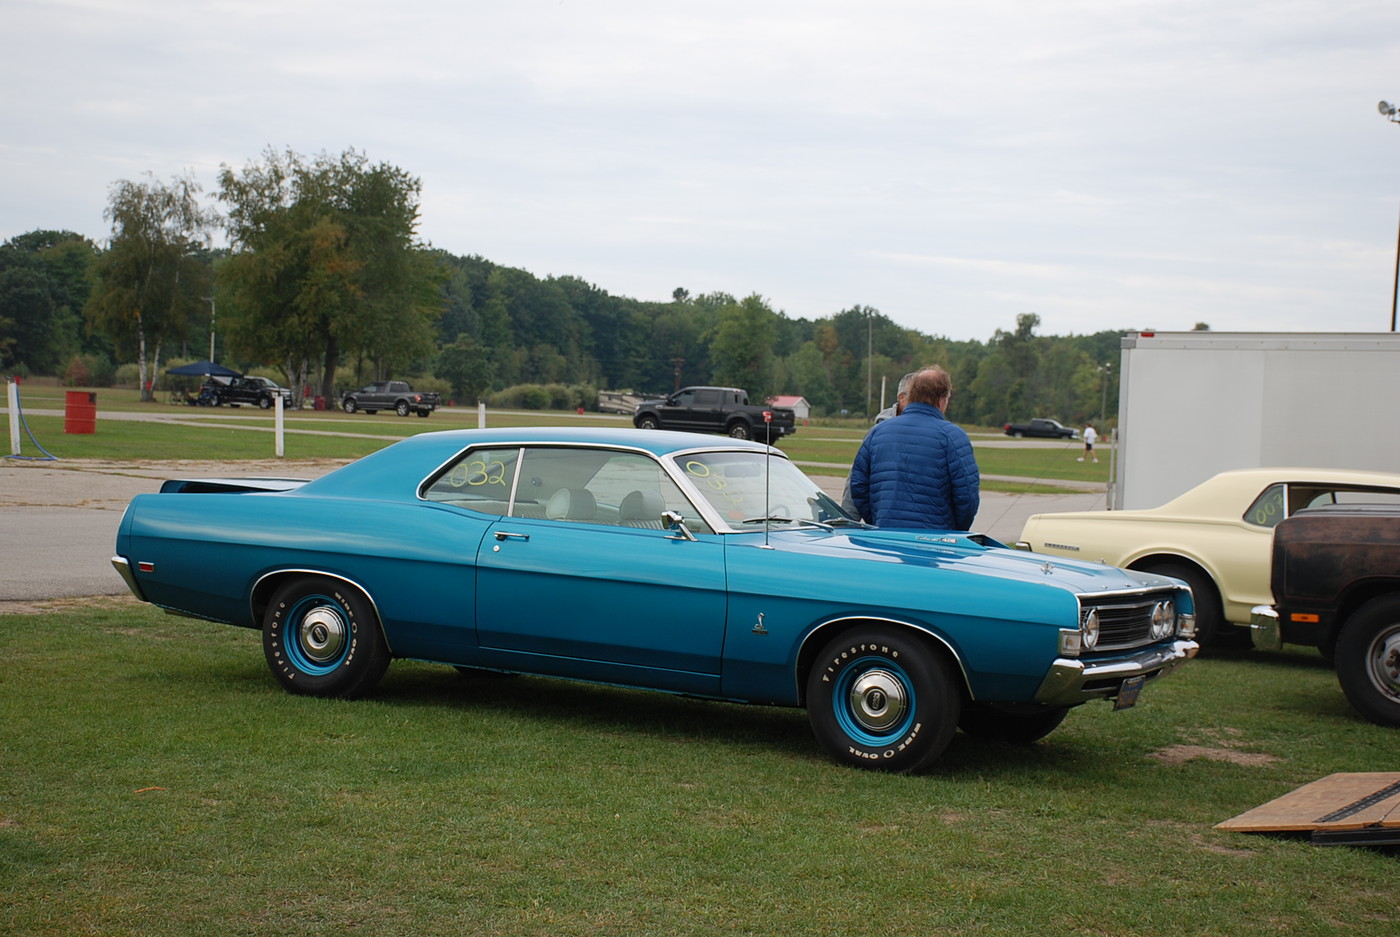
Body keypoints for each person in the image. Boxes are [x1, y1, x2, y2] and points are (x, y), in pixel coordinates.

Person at [848, 367, 980, 530]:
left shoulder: (877, 432)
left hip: (885, 537)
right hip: (934, 541)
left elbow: (858, 486)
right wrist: (953, 530)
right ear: (941, 400)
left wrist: (877, 520)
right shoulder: (953, 436)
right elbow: (967, 497)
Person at [839, 371, 916, 516]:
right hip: (882, 523)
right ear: (902, 398)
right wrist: (848, 520)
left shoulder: (934, 433)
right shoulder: (877, 433)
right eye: (916, 398)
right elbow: (856, 481)